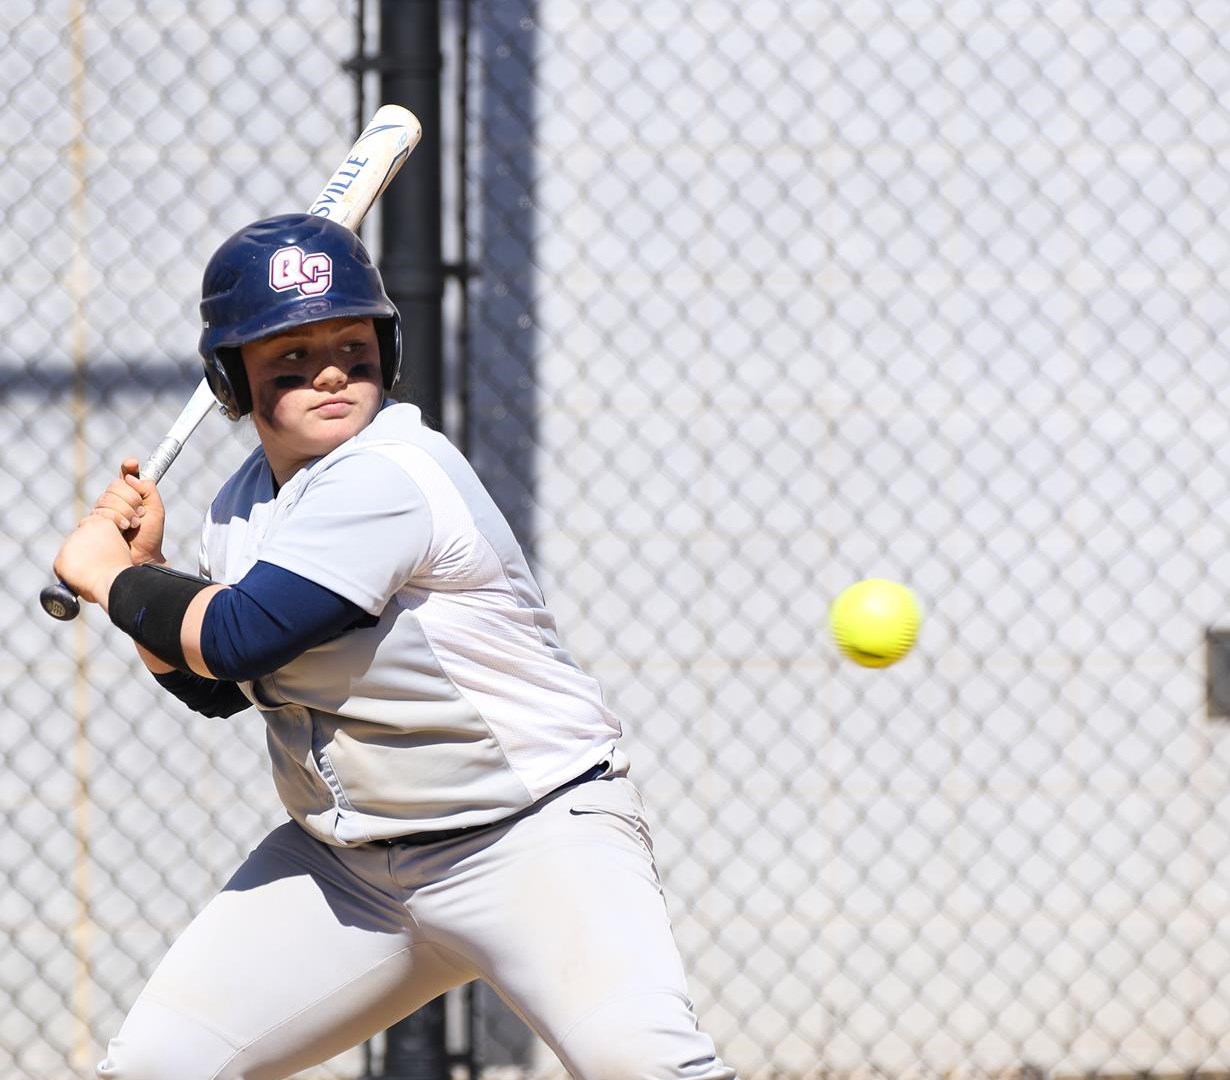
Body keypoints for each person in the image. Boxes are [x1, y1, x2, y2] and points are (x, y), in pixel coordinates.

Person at [52, 213, 735, 1080]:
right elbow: (222, 685)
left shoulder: (392, 473)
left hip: (525, 842)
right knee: (156, 1067)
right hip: (345, 873)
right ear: (232, 378)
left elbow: (236, 635)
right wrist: (144, 570)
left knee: (644, 1068)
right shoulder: (241, 505)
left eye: (351, 343)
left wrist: (111, 578)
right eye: (287, 358)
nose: (330, 370)